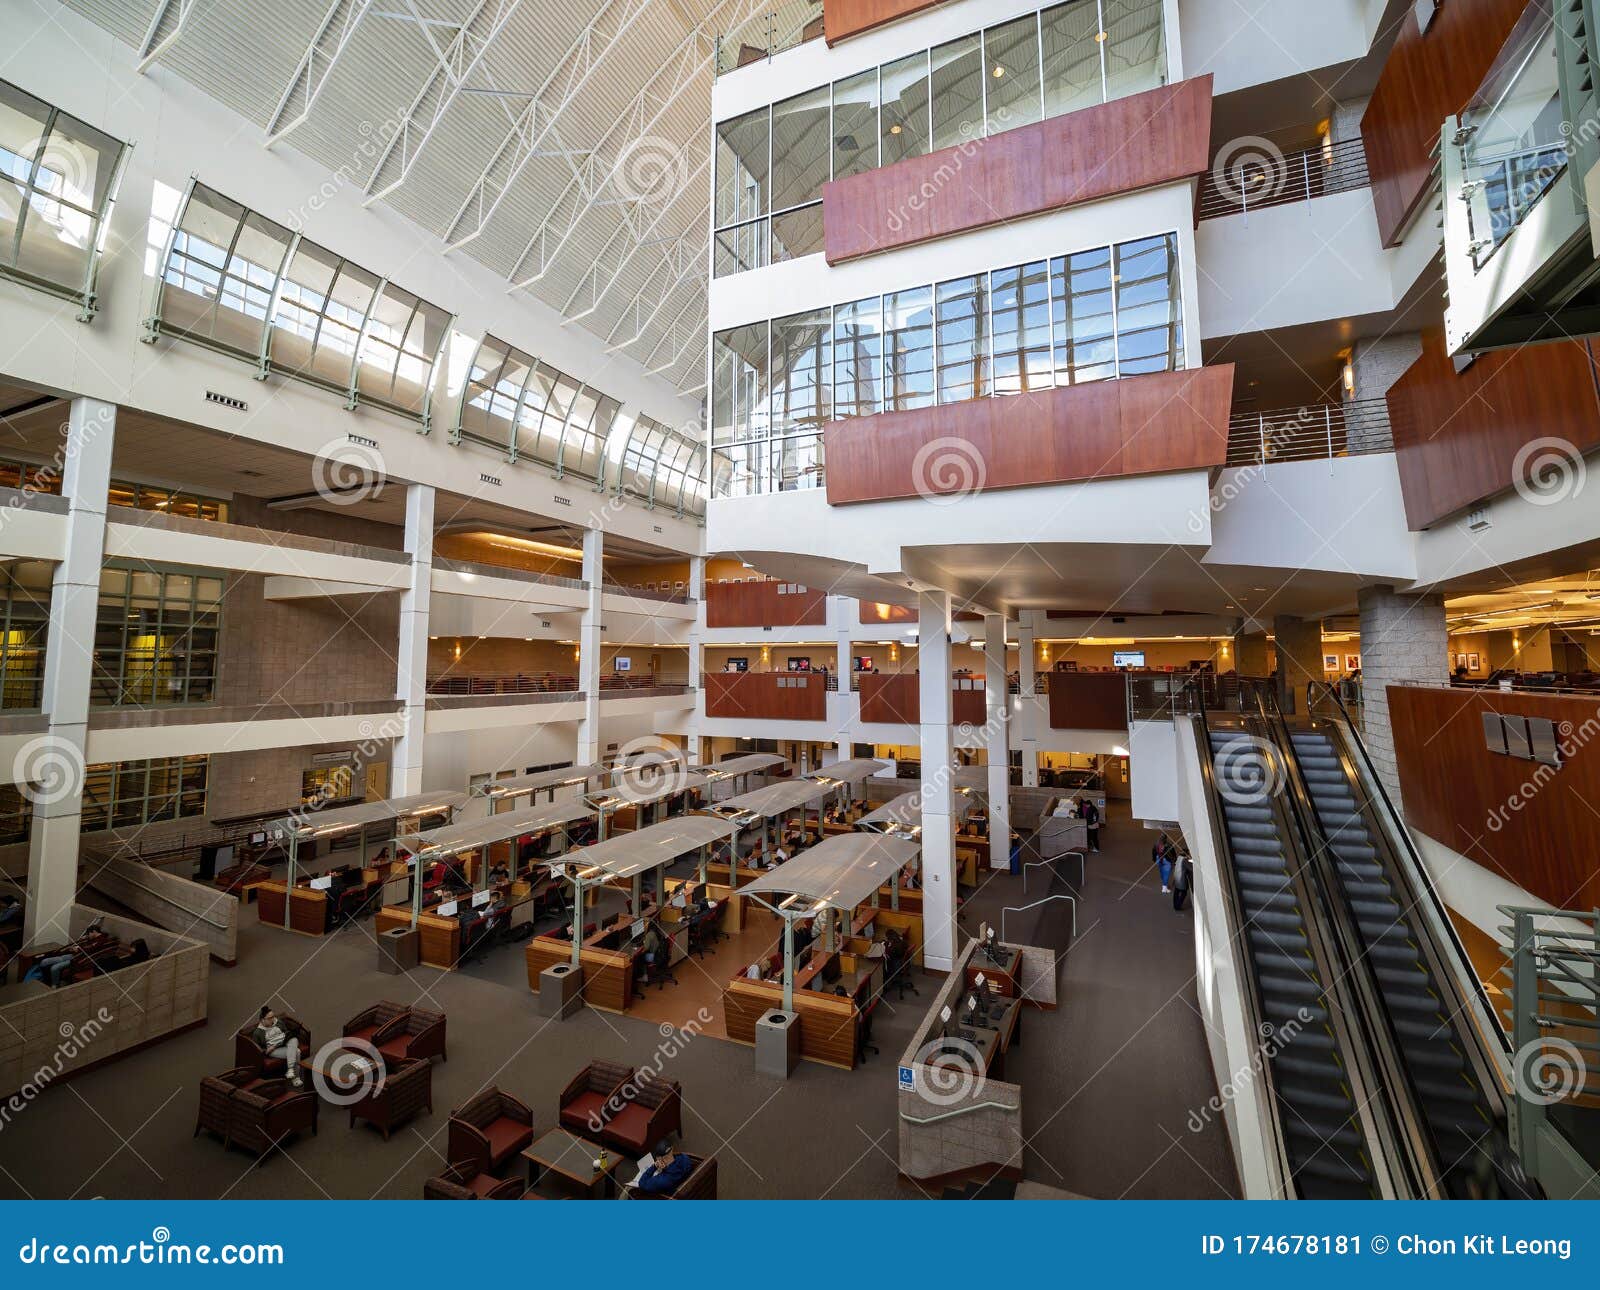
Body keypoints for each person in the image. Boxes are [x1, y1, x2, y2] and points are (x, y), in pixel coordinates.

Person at [252, 1005, 305, 1088]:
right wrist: (267, 1050)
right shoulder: (258, 1033)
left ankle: (291, 1070)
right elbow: (256, 1049)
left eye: (273, 1017)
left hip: (284, 1043)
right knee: (297, 1052)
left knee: (294, 1039)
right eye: (269, 1018)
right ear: (262, 1020)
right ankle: (295, 1077)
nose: (272, 1019)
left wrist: (286, 1037)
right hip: (273, 1050)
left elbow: (286, 1033)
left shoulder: (278, 1022)